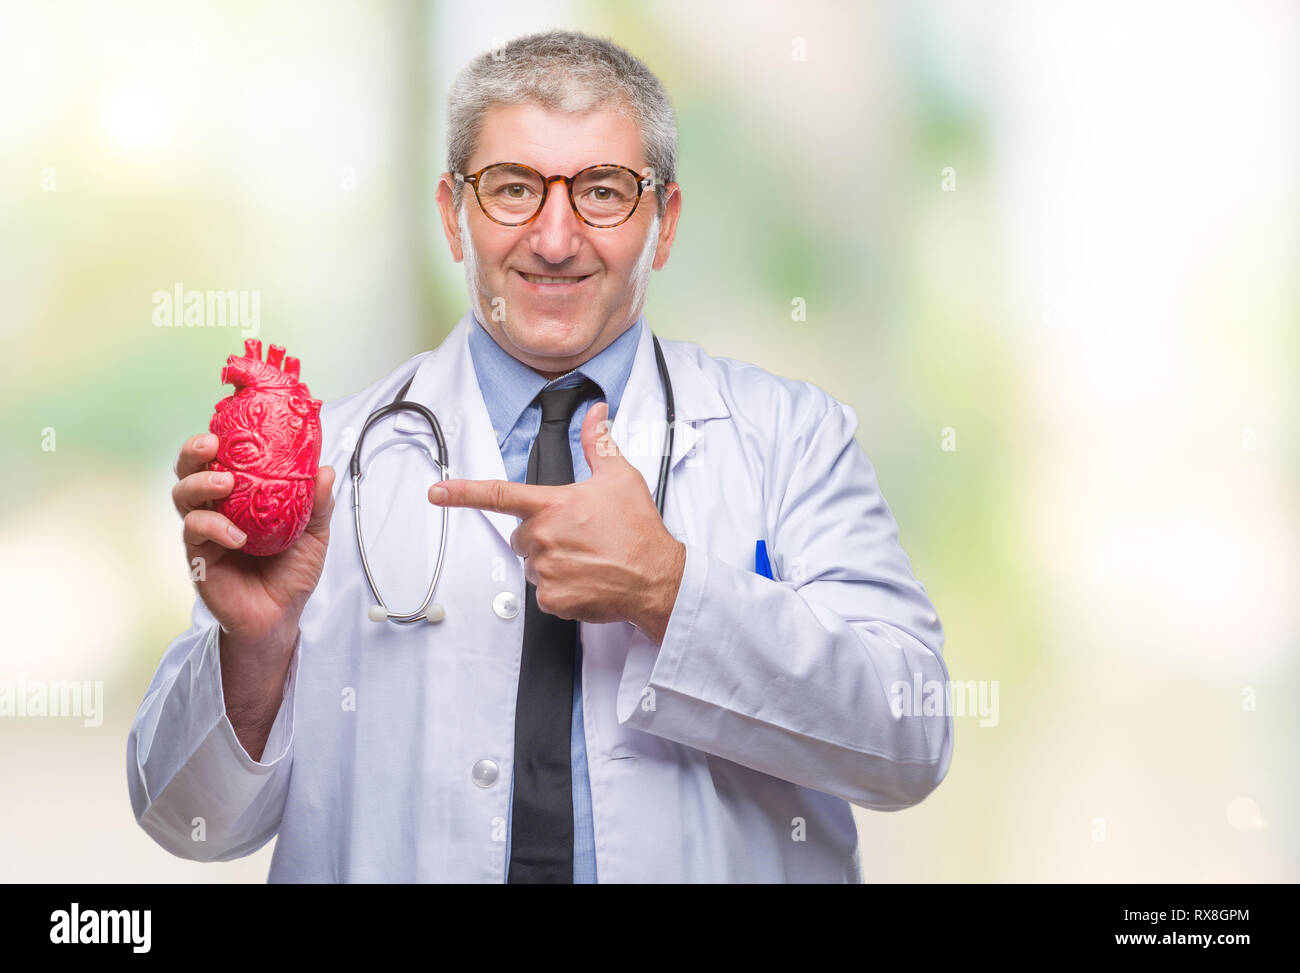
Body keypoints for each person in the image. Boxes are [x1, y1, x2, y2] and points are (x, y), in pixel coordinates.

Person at [128, 29, 952, 883]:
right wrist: (254, 645)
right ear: (453, 214)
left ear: (663, 223)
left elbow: (910, 737)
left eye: (603, 191)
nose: (555, 240)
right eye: (513, 189)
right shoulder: (336, 464)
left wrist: (669, 590)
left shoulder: (792, 438)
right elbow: (188, 822)